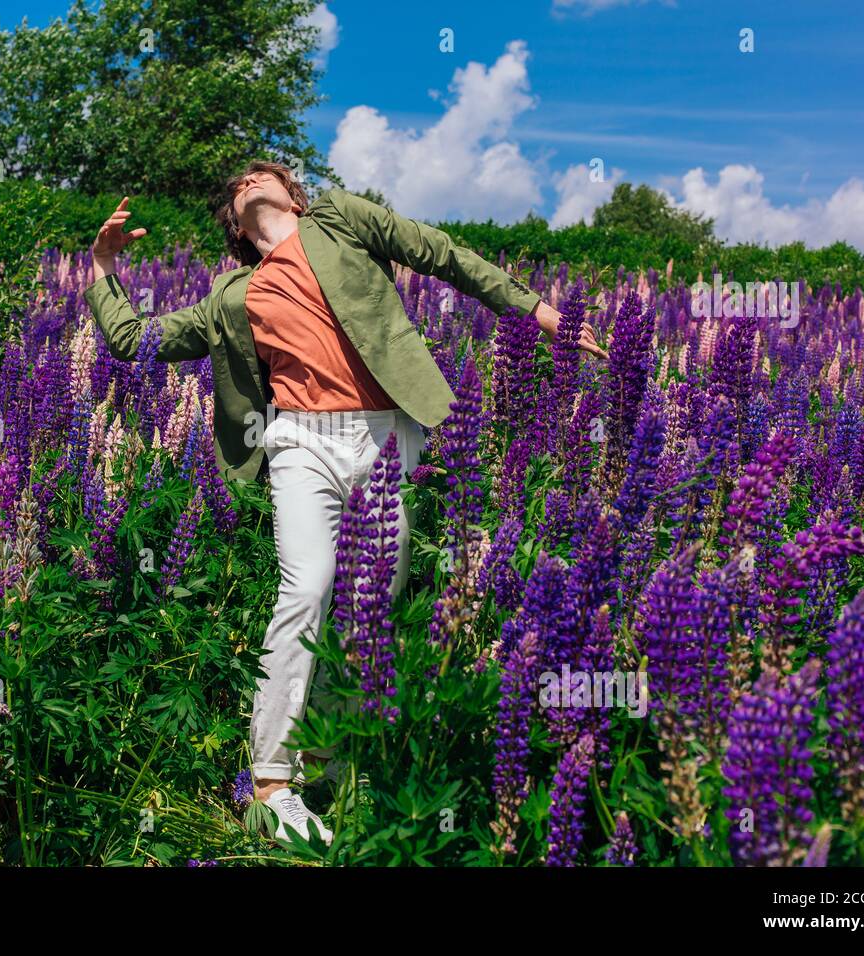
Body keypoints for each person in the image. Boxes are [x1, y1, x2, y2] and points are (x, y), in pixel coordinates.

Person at [85, 161, 603, 846]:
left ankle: (328, 760)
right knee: (308, 585)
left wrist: (539, 312)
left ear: (294, 196)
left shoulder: (341, 219)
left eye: (262, 173)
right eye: (237, 184)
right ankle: (271, 779)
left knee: (368, 607)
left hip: (386, 435)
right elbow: (133, 342)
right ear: (234, 227)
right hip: (300, 438)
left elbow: (440, 252)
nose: (248, 179)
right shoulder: (232, 292)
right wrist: (101, 265)